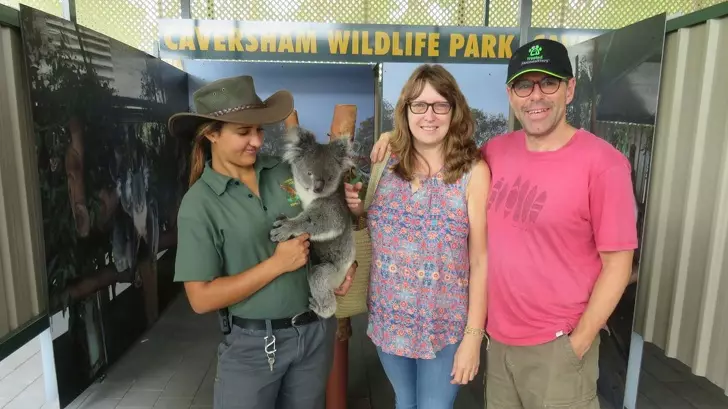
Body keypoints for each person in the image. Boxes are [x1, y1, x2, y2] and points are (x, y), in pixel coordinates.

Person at [370, 40, 638, 409]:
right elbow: (434, 146)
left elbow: (619, 263)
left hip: (557, 345)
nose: (535, 96)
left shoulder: (603, 164)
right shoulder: (497, 150)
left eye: (549, 83)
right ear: (511, 94)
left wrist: (577, 342)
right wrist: (392, 138)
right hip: (500, 342)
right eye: (524, 86)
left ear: (570, 88)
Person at [168, 75, 357, 409]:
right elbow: (200, 298)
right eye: (243, 132)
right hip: (255, 346)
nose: (256, 141)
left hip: (313, 334)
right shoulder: (200, 204)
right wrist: (276, 265)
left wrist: (345, 268)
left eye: (259, 131)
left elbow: (331, 219)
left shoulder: (285, 172)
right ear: (212, 133)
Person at [345, 64, 490, 409]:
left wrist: (473, 336)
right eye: (419, 105)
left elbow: (480, 260)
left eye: (440, 105)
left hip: (445, 325)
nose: (429, 115)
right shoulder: (385, 163)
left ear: (454, 111)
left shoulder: (473, 172)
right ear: (406, 110)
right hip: (388, 319)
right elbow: (369, 226)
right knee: (404, 402)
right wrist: (355, 211)